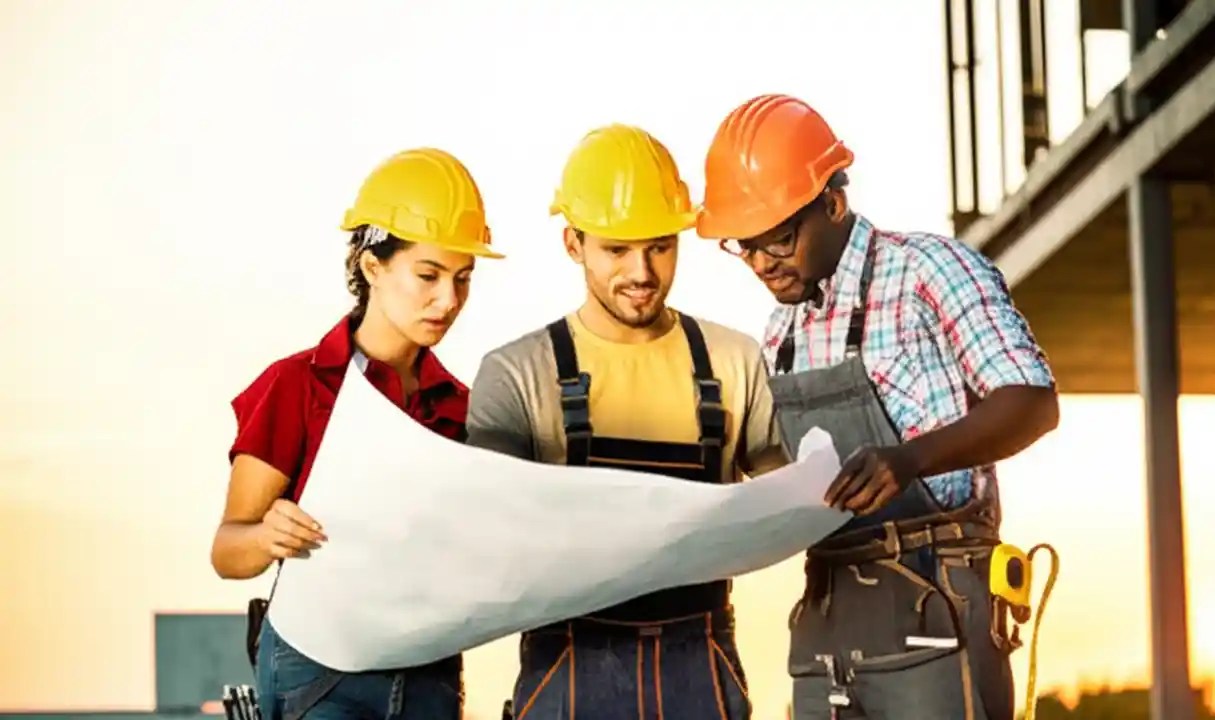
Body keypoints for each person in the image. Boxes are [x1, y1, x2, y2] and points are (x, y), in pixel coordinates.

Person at [697, 94, 1061, 720]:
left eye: (777, 239)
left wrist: (909, 459)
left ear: (833, 203)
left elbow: (1032, 402)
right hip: (828, 618)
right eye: (743, 246)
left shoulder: (930, 271)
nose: (760, 263)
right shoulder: (781, 329)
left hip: (938, 607)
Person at [466, 123, 787, 720]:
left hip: (703, 665)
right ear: (572, 243)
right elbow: (490, 535)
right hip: (571, 664)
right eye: (617, 249)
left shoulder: (734, 362)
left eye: (660, 246)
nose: (642, 271)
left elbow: (794, 503)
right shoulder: (517, 375)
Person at [210, 147, 504, 720]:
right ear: (372, 266)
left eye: (463, 279)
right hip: (319, 676)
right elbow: (227, 551)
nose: (448, 300)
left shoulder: (462, 410)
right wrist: (267, 535)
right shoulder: (297, 386)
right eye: (429, 275)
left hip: (429, 673)